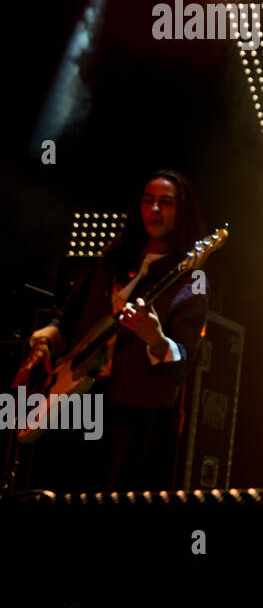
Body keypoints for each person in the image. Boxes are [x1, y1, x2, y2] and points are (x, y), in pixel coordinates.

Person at [21, 170, 210, 492]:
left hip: (129, 407)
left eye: (166, 203)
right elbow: (67, 314)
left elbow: (184, 359)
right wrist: (47, 337)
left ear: (181, 213)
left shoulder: (190, 279)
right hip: (75, 393)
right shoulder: (112, 260)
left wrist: (156, 338)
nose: (154, 210)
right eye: (148, 201)